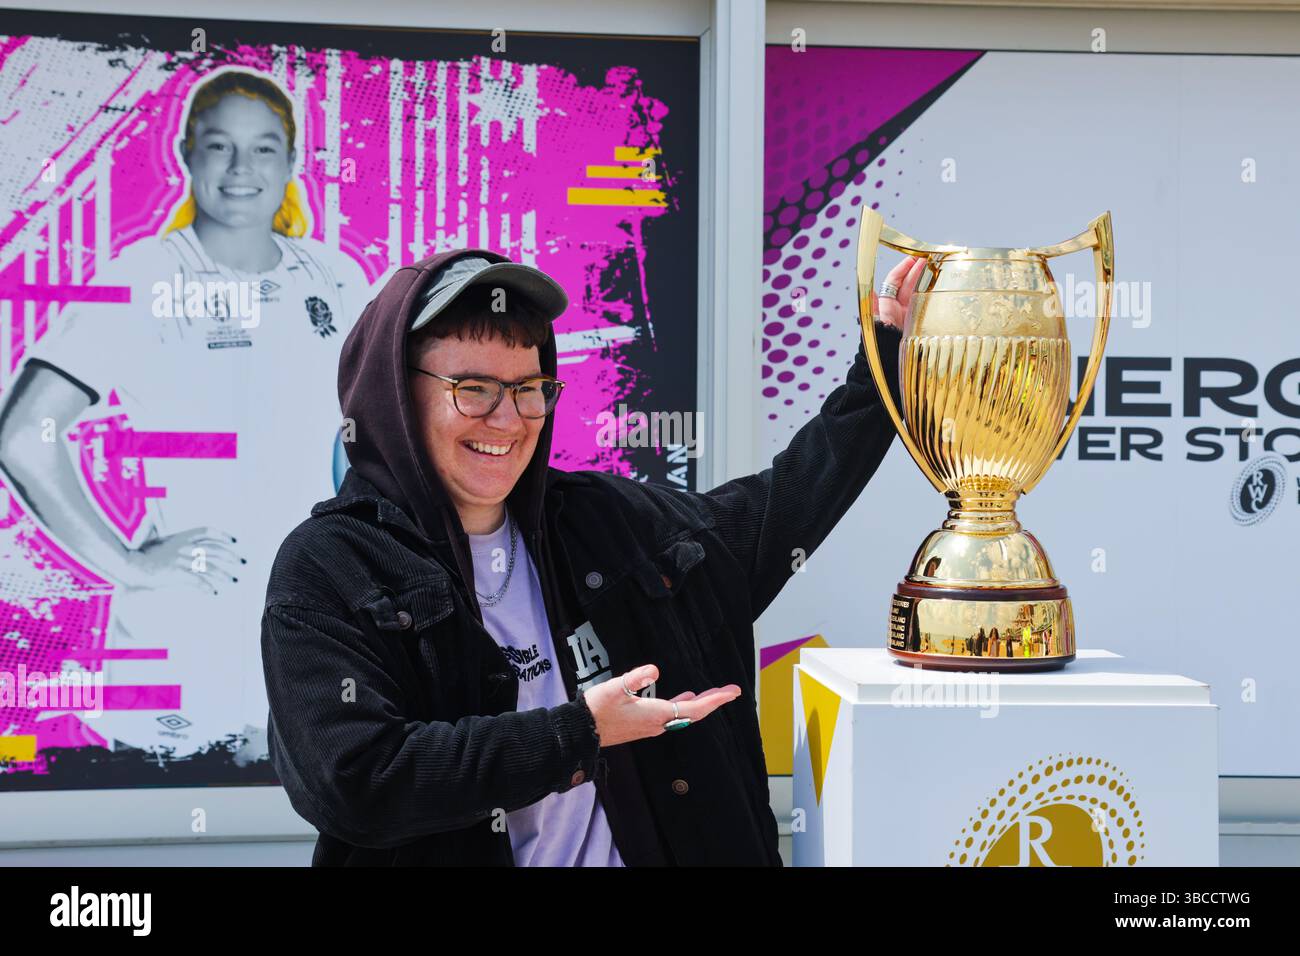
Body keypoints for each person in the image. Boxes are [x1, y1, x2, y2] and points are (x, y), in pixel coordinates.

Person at [261, 248, 922, 865]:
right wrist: (579, 733)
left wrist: (881, 363)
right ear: (395, 396)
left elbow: (783, 510)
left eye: (529, 388)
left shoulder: (605, 525)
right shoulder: (328, 567)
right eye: (472, 389)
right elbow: (356, 779)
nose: (508, 419)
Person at [0, 68, 367, 762]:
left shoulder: (334, 277)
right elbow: (23, 437)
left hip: (315, 637)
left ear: (290, 162)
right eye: (218, 145)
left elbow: (359, 441)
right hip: (186, 644)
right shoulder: (144, 279)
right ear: (187, 154)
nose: (240, 168)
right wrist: (130, 568)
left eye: (262, 149)